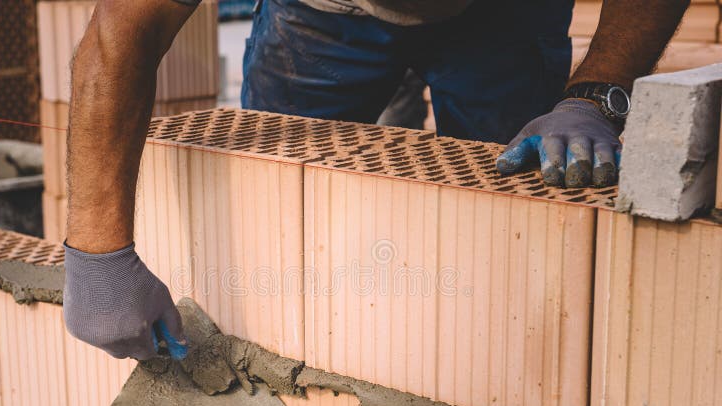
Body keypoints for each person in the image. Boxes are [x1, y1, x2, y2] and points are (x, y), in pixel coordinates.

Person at [64, 0, 689, 361]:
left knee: (516, 224)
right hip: (323, 13)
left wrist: (592, 100)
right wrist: (98, 253)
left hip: (501, 12)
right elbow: (121, 34)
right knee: (274, 208)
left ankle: (490, 356)